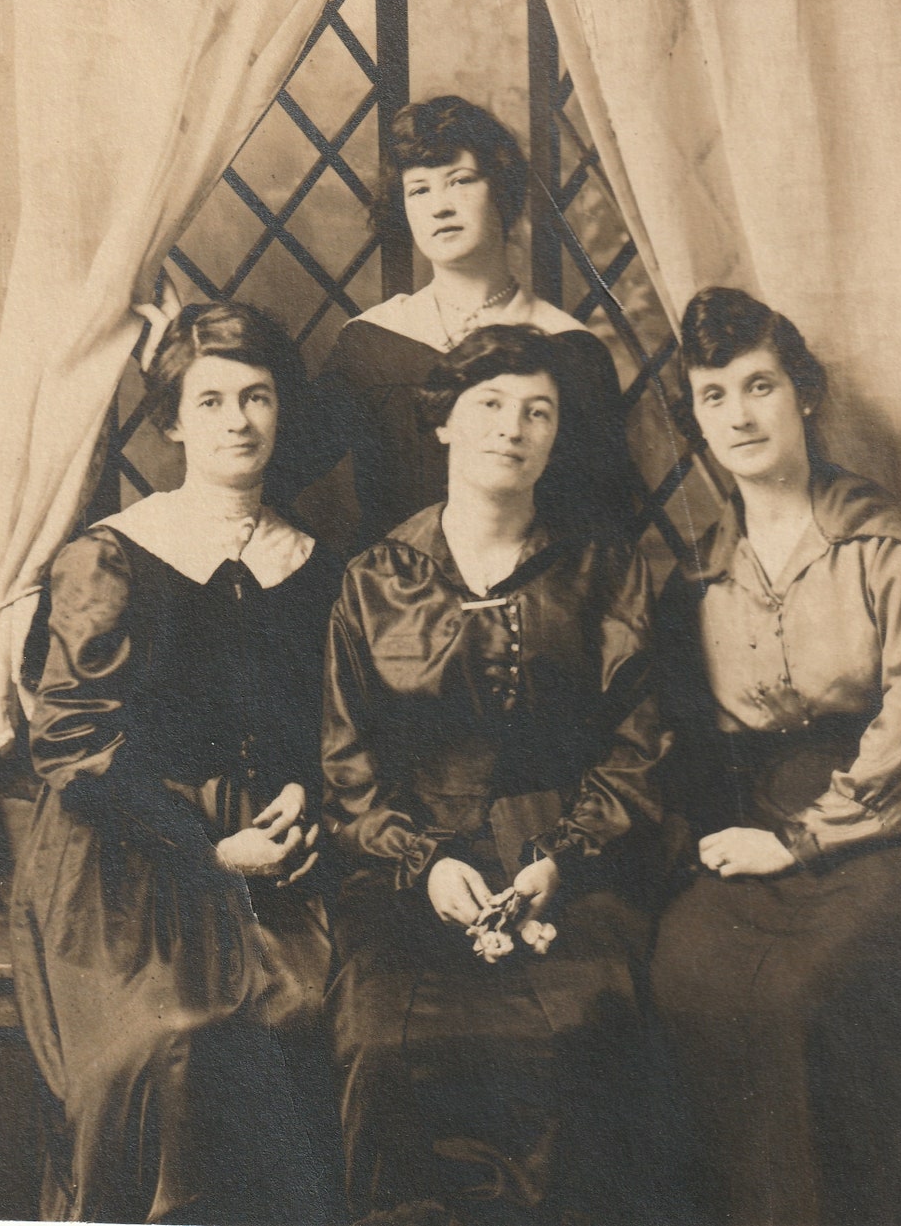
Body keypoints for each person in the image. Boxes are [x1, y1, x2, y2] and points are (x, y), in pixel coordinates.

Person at [321, 324, 674, 1225]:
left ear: (558, 436)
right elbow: (350, 769)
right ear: (441, 422)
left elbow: (632, 751)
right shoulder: (373, 579)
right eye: (488, 405)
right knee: (377, 1038)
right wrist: (427, 859)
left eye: (538, 411)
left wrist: (562, 855)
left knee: (582, 1029)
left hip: (571, 861)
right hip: (407, 868)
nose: (511, 428)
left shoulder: (603, 567)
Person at [11, 302, 347, 1224]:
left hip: (274, 862)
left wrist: (300, 800)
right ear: (172, 418)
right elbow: (71, 742)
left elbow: (331, 725)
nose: (237, 419)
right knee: (168, 1047)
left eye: (257, 396)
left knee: (316, 1013)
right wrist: (207, 844)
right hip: (121, 860)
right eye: (211, 400)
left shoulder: (317, 563)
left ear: (281, 411)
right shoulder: (114, 555)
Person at [650, 287, 901, 1226]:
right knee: (690, 964)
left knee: (812, 985)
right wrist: (738, 835)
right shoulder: (703, 576)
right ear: (696, 420)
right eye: (714, 396)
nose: (740, 414)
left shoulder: (891, 538)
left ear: (803, 394)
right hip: (758, 818)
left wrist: (796, 842)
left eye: (759, 385)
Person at [299, 94, 631, 551]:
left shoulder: (572, 349)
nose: (440, 207)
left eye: (460, 181)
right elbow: (281, 465)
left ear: (501, 191)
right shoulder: (370, 346)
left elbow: (605, 527)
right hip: (397, 607)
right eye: (419, 189)